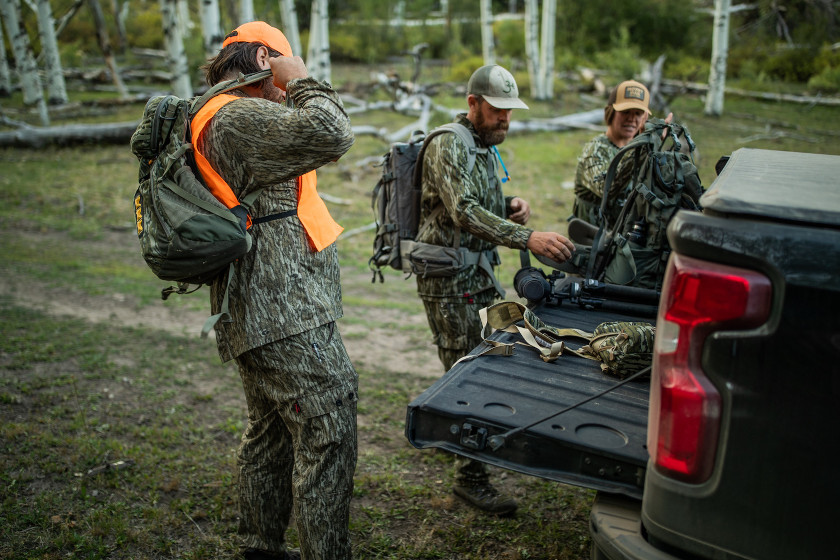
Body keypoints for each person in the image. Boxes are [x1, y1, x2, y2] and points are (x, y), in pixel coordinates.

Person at [197, 21, 357, 560]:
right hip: (280, 310)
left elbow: (318, 146)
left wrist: (294, 101)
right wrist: (303, 79)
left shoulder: (232, 115)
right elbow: (334, 133)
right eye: (282, 65)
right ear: (265, 59)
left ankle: (259, 547)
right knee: (330, 422)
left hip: (263, 307)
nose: (286, 86)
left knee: (270, 432)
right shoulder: (237, 116)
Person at [415, 64, 575, 515]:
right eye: (497, 108)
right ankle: (470, 478)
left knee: (486, 359)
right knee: (468, 370)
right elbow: (463, 211)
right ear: (473, 103)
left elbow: (475, 204)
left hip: (478, 274)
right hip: (449, 280)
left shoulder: (482, 146)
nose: (505, 117)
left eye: (510, 110)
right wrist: (528, 237)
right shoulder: (450, 143)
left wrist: (509, 206)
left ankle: (457, 441)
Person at [572, 80, 654, 226]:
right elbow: (606, 188)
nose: (631, 119)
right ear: (610, 112)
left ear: (645, 118)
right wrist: (641, 148)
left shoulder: (641, 151)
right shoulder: (595, 150)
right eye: (625, 112)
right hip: (593, 236)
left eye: (638, 113)